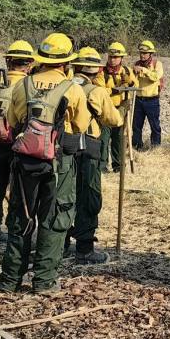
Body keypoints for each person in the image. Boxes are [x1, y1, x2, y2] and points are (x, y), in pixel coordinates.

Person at [0, 34, 86, 293]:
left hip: (24, 162)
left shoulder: (23, 85)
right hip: (59, 164)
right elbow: (81, 125)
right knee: (55, 218)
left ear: (41, 59)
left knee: (20, 217)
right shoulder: (73, 89)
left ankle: (10, 280)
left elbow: (13, 121)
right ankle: (44, 281)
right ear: (66, 62)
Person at [0, 40, 36, 249]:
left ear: (8, 61)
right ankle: (16, 231)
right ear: (29, 63)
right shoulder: (30, 85)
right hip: (20, 144)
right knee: (19, 190)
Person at [72, 47, 123, 264]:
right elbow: (114, 120)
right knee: (89, 196)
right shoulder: (97, 91)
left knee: (63, 196)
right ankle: (84, 249)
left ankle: (60, 244)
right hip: (88, 149)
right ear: (97, 71)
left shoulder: (62, 86)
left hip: (62, 149)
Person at [96, 42, 137, 173]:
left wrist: (129, 82)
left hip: (121, 109)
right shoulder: (101, 72)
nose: (112, 60)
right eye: (111, 57)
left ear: (121, 58)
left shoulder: (126, 71)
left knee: (119, 139)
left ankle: (118, 166)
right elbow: (99, 91)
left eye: (115, 57)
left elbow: (135, 86)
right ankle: (102, 166)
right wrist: (115, 90)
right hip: (106, 110)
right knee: (104, 139)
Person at [132, 40, 164, 151]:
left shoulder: (157, 64)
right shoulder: (136, 64)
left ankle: (155, 148)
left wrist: (144, 70)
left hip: (152, 100)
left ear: (151, 53)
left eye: (145, 53)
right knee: (136, 126)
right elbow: (132, 81)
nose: (142, 55)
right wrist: (133, 72)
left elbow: (156, 77)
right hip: (138, 99)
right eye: (141, 53)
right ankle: (136, 147)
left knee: (155, 126)